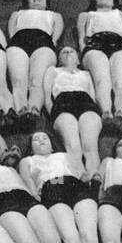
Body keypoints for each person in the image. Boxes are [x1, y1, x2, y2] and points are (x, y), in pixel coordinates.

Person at [18, 131, 103, 243]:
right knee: (70, 237)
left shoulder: (64, 155)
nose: (41, 140)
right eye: (36, 140)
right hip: (51, 188)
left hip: (75, 185)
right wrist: (38, 198)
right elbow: (29, 183)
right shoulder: (27, 161)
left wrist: (90, 177)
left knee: (89, 235)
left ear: (52, 145)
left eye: (44, 138)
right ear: (31, 148)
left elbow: (81, 173)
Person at [44, 45, 104, 177]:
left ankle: (95, 176)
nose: (67, 53)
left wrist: (94, 109)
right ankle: (80, 175)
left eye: (71, 51)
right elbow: (47, 95)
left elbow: (92, 95)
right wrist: (53, 113)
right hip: (62, 103)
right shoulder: (53, 71)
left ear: (78, 59)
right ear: (59, 59)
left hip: (86, 102)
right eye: (63, 52)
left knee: (90, 146)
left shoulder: (86, 74)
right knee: (73, 145)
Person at [5, 0, 65, 118]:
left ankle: (34, 109)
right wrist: (13, 41)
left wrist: (53, 41)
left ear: (46, 2)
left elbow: (57, 30)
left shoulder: (54, 15)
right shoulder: (17, 14)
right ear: (27, 1)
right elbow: (12, 30)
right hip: (19, 41)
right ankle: (20, 109)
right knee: (18, 79)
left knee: (37, 79)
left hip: (43, 41)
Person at [75, 0, 122, 118]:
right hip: (95, 44)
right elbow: (81, 38)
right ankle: (106, 112)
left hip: (119, 44)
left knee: (120, 82)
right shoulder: (86, 15)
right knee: (102, 80)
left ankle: (120, 112)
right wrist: (84, 51)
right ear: (94, 0)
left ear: (113, 0)